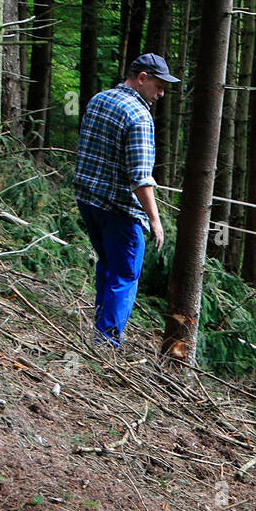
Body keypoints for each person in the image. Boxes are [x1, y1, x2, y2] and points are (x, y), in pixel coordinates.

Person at [75, 53, 181, 347]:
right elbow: (140, 178)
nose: (161, 94)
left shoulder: (99, 99)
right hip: (120, 210)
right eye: (159, 86)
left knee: (108, 264)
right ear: (142, 77)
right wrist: (155, 221)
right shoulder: (138, 115)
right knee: (124, 274)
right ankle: (106, 343)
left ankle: (100, 330)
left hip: (88, 201)